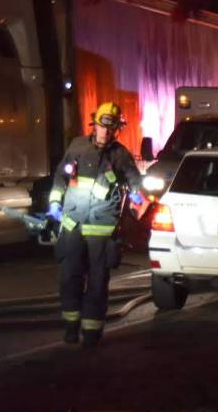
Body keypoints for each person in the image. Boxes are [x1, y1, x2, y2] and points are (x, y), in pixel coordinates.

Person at [47, 101, 145, 347]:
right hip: (72, 224)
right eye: (103, 126)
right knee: (69, 276)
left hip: (101, 229)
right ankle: (71, 326)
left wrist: (137, 195)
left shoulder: (120, 155)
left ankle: (91, 331)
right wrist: (55, 204)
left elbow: (136, 181)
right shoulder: (77, 146)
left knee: (98, 281)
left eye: (111, 129)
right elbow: (61, 176)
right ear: (95, 124)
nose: (106, 132)